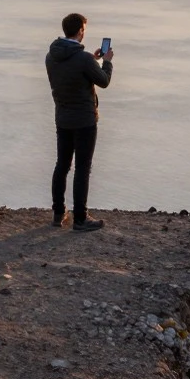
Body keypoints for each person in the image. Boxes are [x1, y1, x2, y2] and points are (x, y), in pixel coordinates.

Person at [45, 12, 113, 231]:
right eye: (84, 29)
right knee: (82, 168)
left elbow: (69, 75)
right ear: (80, 31)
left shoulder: (51, 56)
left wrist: (92, 61)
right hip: (84, 120)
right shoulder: (83, 58)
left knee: (62, 165)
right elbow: (103, 81)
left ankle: (58, 213)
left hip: (62, 117)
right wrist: (107, 63)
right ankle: (81, 219)